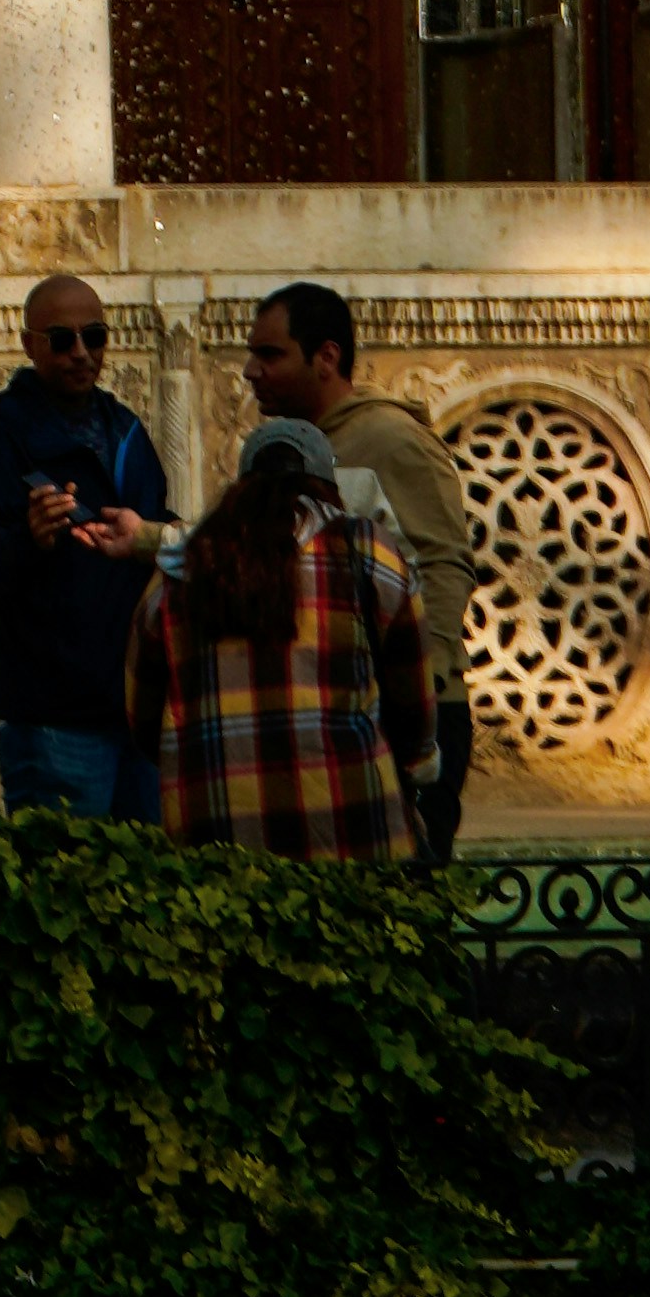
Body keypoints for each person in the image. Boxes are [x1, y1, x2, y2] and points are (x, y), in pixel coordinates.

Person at [247, 280, 482, 866]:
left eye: (270, 355)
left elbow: (444, 563)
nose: (251, 371)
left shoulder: (391, 439)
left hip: (411, 715)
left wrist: (424, 689)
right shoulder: (299, 448)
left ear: (326, 357)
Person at [126, 424, 438, 859]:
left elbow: (141, 714)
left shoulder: (181, 569)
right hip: (355, 831)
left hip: (216, 848)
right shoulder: (362, 550)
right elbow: (414, 693)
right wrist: (418, 762)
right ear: (327, 486)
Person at [0, 272, 171, 814]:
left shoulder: (125, 429)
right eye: (61, 339)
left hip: (133, 707)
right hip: (52, 712)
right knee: (62, 885)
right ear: (29, 345)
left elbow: (155, 533)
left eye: (94, 336)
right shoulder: (3, 439)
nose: (81, 352)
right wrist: (33, 539)